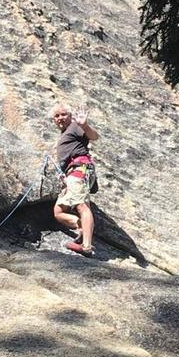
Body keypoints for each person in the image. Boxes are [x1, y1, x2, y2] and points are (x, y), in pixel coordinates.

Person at [51, 103, 99, 257]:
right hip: (71, 172)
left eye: (63, 114)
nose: (60, 118)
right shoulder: (65, 133)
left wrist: (84, 125)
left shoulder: (74, 127)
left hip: (80, 169)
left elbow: (94, 137)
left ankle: (86, 246)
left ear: (70, 116)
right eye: (56, 116)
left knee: (81, 206)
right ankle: (81, 230)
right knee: (58, 211)